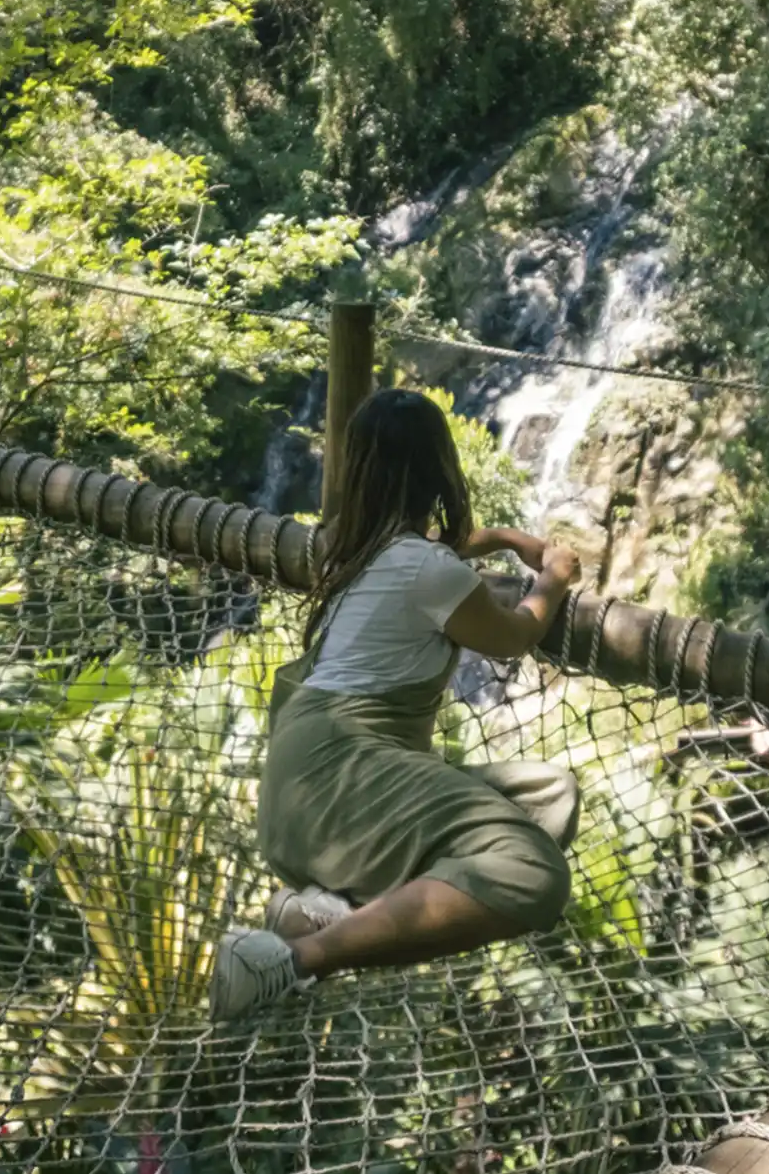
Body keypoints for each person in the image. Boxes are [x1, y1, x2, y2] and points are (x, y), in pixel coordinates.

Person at [210, 387, 581, 1022]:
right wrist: (553, 578)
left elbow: (433, 553)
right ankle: (292, 960)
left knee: (547, 796)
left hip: (300, 795)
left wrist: (495, 537)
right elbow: (515, 635)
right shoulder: (427, 571)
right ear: (440, 469)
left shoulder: (356, 548)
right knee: (534, 875)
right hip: (342, 781)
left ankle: (323, 910)